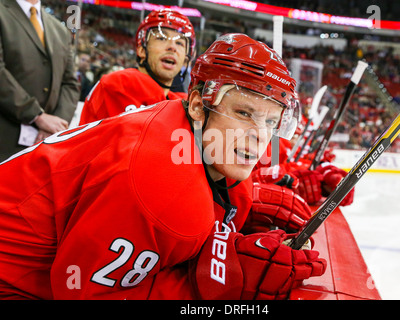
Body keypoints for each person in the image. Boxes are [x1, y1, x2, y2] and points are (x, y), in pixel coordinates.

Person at [0, 33, 326, 300]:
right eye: (244, 113)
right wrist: (218, 283)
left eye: (271, 121)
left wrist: (240, 213)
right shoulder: (159, 186)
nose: (260, 137)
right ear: (199, 105)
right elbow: (81, 293)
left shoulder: (184, 129)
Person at [78, 9, 196, 125]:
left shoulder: (185, 106)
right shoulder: (116, 85)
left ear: (186, 59)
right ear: (141, 50)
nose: (172, 47)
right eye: (161, 38)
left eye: (180, 43)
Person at [0, 0, 79, 161]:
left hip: (43, 148)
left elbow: (70, 83)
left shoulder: (60, 29)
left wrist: (56, 126)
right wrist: (37, 115)